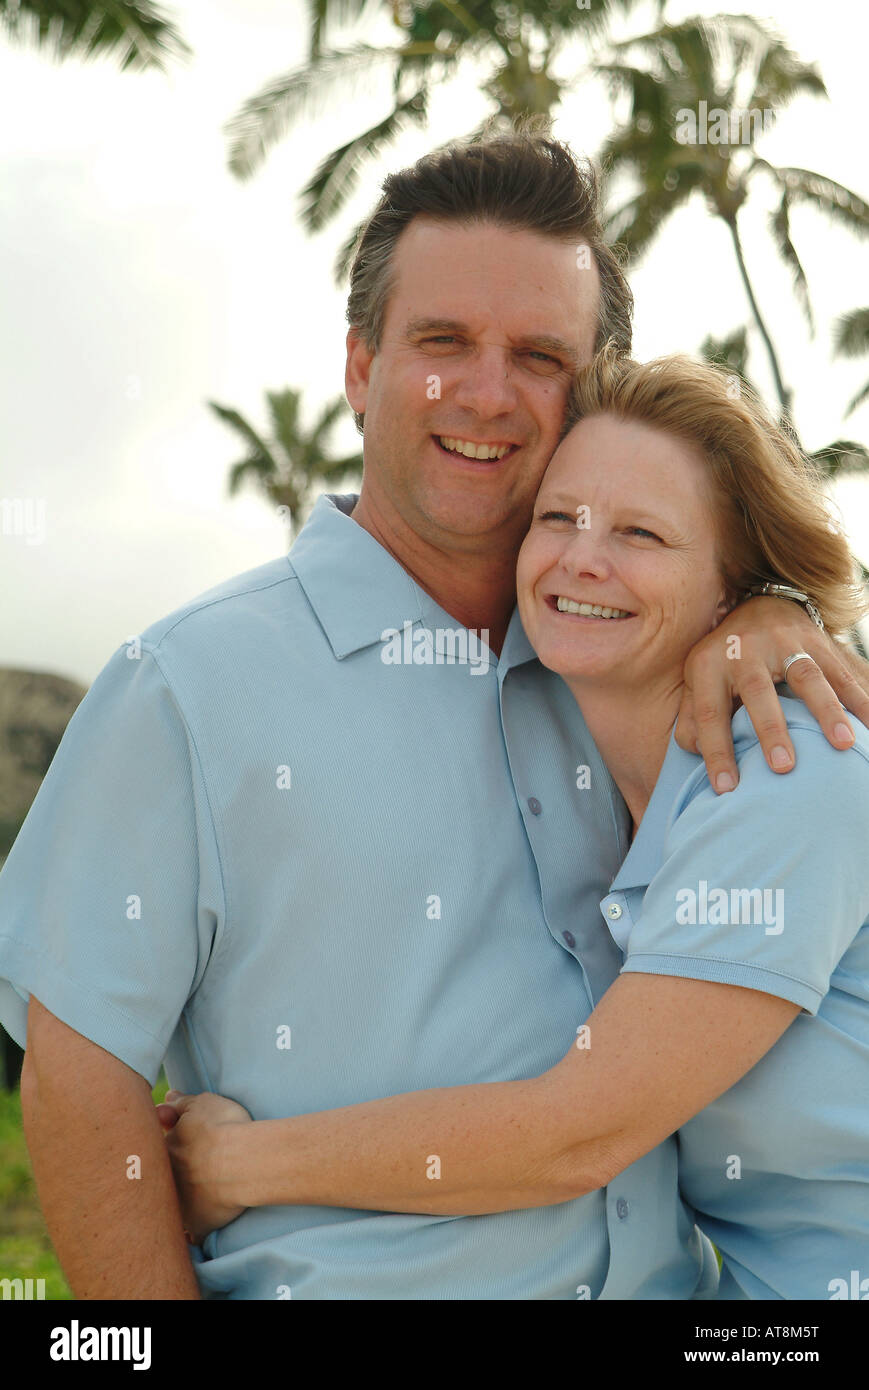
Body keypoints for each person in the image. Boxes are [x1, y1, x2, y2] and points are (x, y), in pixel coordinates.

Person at [1, 126, 867, 1301]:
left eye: (539, 356)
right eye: (441, 343)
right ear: (360, 368)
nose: (486, 391)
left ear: (585, 389)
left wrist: (767, 608)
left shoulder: (626, 665)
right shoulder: (188, 682)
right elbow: (76, 1080)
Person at [161, 346, 869, 1301]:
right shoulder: (586, 779)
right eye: (557, 518)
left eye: (641, 535)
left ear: (729, 589)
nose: (583, 556)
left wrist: (237, 1169)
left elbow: (577, 1132)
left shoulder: (791, 769)